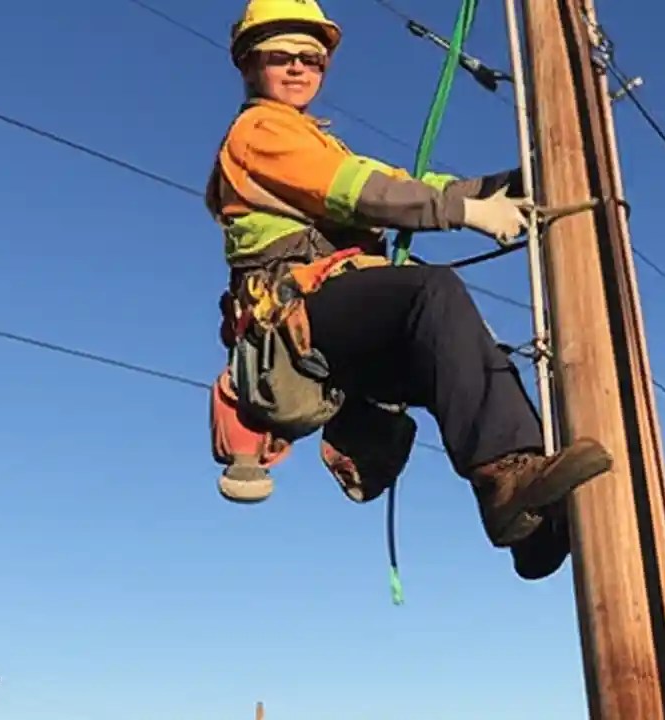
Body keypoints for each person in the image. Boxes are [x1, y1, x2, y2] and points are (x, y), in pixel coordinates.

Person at [204, 0, 613, 580]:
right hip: (301, 318)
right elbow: (357, 192)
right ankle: (504, 478)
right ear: (248, 65)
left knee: (476, 357)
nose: (299, 68)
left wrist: (517, 180)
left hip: (352, 323)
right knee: (432, 293)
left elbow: (409, 184)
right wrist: (462, 212)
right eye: (280, 56)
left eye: (312, 59)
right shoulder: (260, 132)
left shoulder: (319, 140)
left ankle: (528, 517)